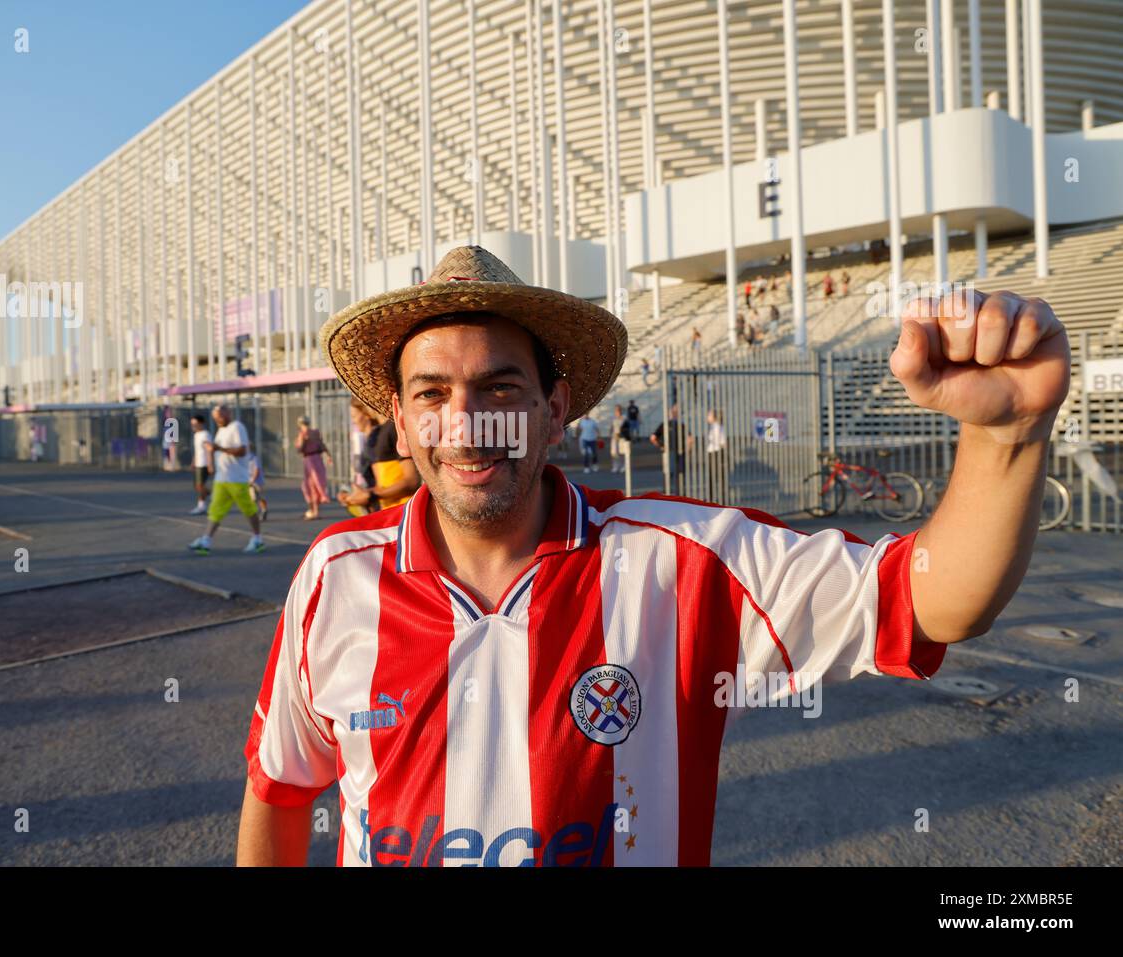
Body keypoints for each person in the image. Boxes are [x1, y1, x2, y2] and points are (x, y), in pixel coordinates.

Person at [236, 244, 1069, 867]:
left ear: (554, 409)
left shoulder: (681, 561)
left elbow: (933, 600)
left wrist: (1007, 434)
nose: (465, 423)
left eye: (499, 389)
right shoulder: (334, 576)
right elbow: (279, 791)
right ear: (402, 418)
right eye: (432, 395)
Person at [187, 404, 264, 555]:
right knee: (215, 510)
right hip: (222, 478)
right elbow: (217, 449)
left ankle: (257, 539)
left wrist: (218, 449)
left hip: (237, 478)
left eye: (220, 417)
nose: (218, 421)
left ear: (228, 413)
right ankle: (206, 540)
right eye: (215, 419)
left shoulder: (237, 427)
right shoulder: (221, 430)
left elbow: (242, 451)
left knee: (249, 509)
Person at [339, 405, 420, 514]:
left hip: (403, 510)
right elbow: (382, 484)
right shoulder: (380, 431)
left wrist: (371, 495)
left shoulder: (393, 428)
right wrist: (361, 495)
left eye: (354, 416)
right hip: (390, 511)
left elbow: (412, 481)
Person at [294, 415, 333, 520]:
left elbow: (300, 449)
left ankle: (314, 510)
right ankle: (314, 510)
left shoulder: (307, 434)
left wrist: (304, 441)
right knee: (311, 484)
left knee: (312, 485)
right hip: (314, 459)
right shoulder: (312, 433)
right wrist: (328, 455)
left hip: (310, 460)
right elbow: (322, 445)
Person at [650, 402, 685, 493]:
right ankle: (675, 492)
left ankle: (669, 493)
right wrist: (662, 446)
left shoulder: (676, 424)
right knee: (675, 473)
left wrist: (662, 446)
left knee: (672, 474)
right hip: (675, 452)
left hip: (672, 452)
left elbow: (653, 438)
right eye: (674, 411)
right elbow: (653, 438)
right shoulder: (670, 424)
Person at [189, 413, 213, 515]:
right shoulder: (196, 435)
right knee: (197, 486)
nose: (193, 426)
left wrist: (210, 464)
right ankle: (213, 495)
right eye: (192, 424)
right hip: (198, 463)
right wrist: (193, 462)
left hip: (204, 463)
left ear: (201, 423)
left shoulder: (205, 434)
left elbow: (209, 450)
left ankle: (201, 506)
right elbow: (197, 450)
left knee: (200, 486)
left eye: (195, 424)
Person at [609, 403, 628, 473]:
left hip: (622, 438)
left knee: (621, 452)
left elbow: (626, 427)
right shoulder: (613, 418)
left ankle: (623, 466)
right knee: (614, 453)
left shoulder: (624, 418)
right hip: (614, 438)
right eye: (616, 410)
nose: (617, 411)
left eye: (619, 410)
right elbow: (611, 427)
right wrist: (610, 434)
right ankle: (615, 466)